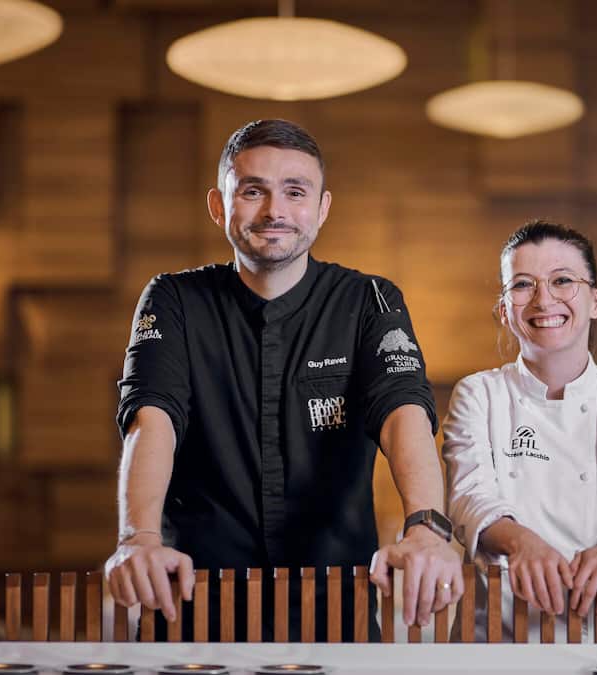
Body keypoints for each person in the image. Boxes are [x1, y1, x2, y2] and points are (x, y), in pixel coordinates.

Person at [104, 119, 462, 641]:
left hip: (334, 607)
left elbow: (403, 413)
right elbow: (151, 417)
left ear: (322, 208)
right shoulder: (173, 300)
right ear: (218, 205)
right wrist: (138, 536)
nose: (275, 211)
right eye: (253, 191)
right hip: (194, 606)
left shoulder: (369, 301)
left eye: (296, 192)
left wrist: (427, 529)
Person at [442, 220, 597, 642]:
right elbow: (468, 495)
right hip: (495, 646)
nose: (544, 299)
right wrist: (521, 542)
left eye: (562, 280)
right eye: (522, 285)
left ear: (595, 301)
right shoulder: (478, 395)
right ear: (504, 309)